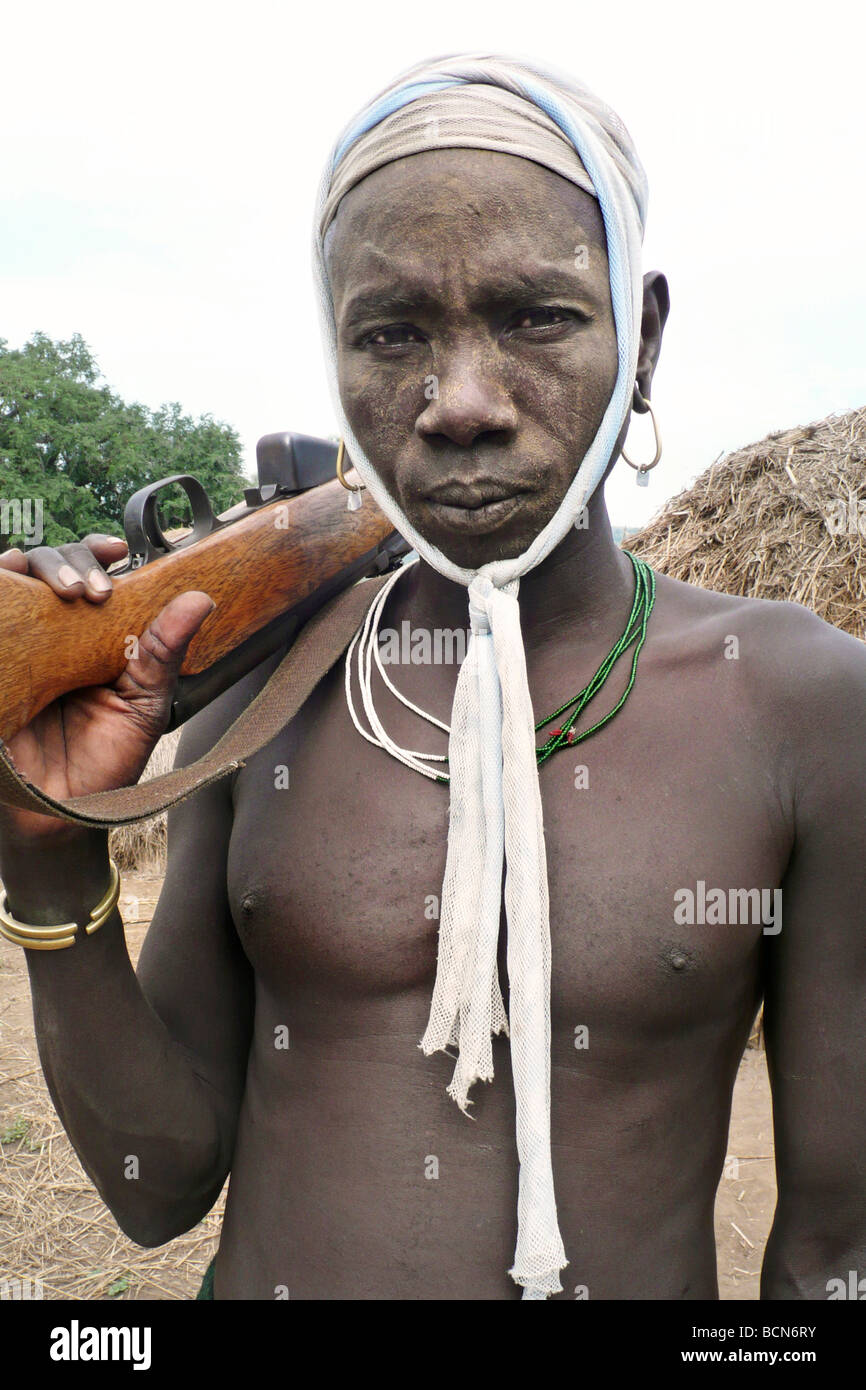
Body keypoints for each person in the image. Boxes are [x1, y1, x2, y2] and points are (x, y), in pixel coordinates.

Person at [1, 54, 865, 1301]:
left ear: (645, 337)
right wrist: (49, 846)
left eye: (536, 316)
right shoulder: (262, 691)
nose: (459, 404)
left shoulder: (804, 705)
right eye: (391, 331)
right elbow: (155, 1187)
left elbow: (834, 1253)